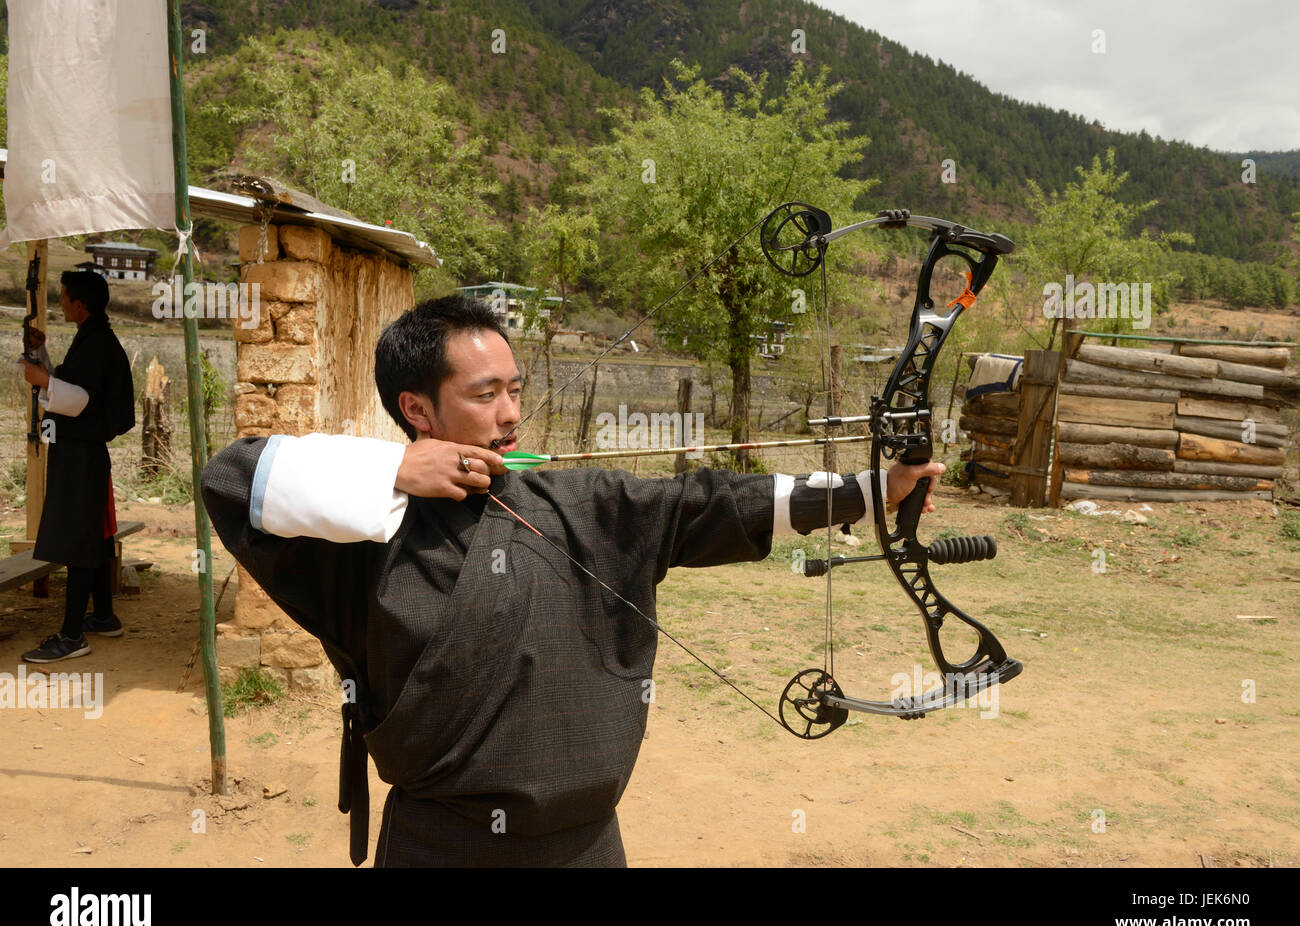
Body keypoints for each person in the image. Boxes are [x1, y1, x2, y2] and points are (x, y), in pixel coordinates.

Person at [201, 295, 942, 866]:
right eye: (486, 394)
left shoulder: (582, 507)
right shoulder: (365, 535)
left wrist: (875, 490)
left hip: (585, 849)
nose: (512, 413)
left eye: (516, 390)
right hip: (440, 849)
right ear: (416, 408)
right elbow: (230, 479)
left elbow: (710, 502)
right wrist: (396, 469)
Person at [19, 270, 135, 664]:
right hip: (83, 454)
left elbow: (80, 399)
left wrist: (41, 380)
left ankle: (71, 636)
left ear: (79, 305)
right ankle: (102, 615)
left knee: (80, 541)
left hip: (82, 456)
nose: (62, 304)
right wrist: (43, 360)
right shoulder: (94, 339)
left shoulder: (97, 343)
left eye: (65, 298)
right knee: (95, 536)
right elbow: (72, 385)